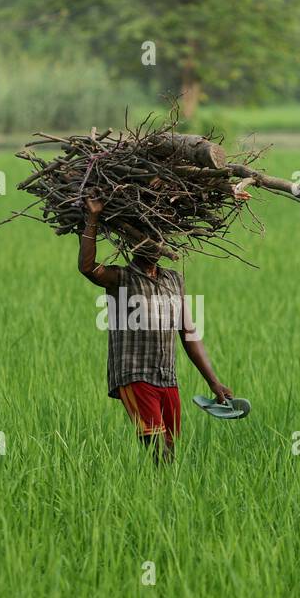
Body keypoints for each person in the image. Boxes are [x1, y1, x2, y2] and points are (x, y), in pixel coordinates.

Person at [78, 196, 232, 463]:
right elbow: (87, 268)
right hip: (134, 375)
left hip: (166, 377)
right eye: (148, 237)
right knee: (156, 450)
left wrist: (213, 382)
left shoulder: (174, 280)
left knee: (169, 455)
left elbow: (189, 333)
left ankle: (161, 501)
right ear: (133, 241)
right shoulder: (121, 279)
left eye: (159, 238)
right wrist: (92, 218)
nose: (155, 245)